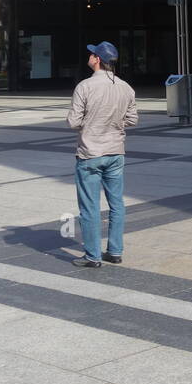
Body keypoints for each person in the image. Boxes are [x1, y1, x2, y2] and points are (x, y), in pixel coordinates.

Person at [66, 41, 138, 267]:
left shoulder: (85, 87)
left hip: (90, 153)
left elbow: (73, 122)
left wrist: (90, 125)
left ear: (97, 59)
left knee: (90, 206)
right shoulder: (126, 87)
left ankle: (92, 255)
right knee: (117, 203)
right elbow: (132, 119)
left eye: (91, 53)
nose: (89, 55)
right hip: (116, 152)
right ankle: (115, 251)